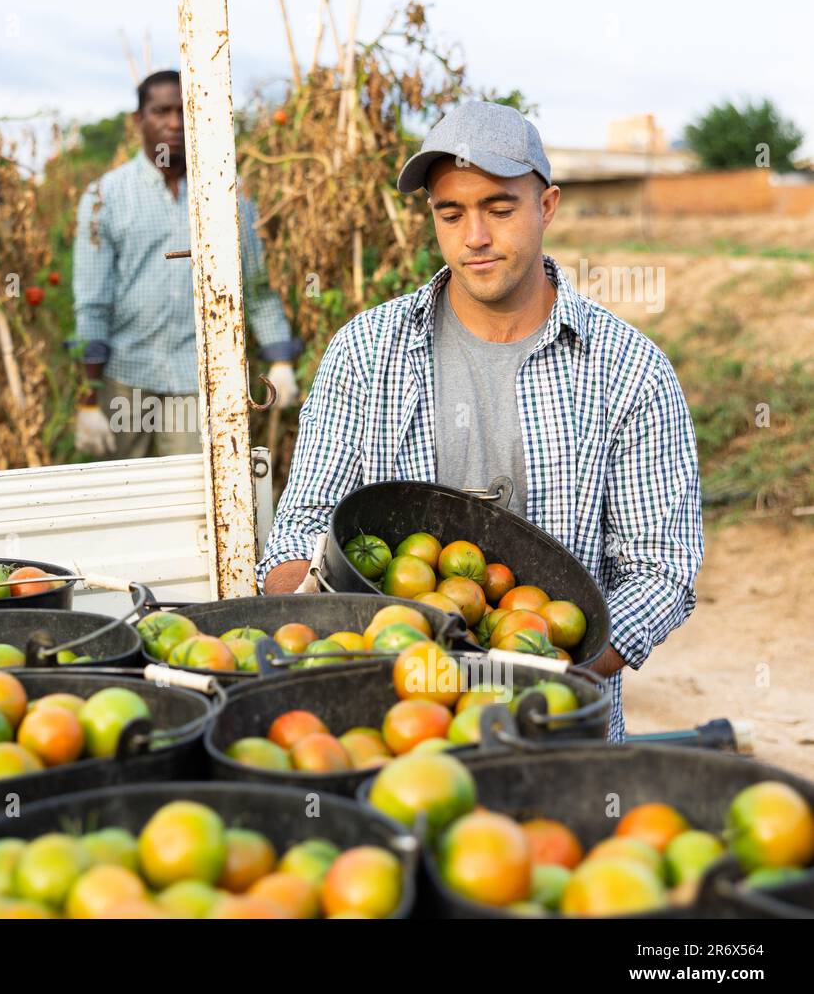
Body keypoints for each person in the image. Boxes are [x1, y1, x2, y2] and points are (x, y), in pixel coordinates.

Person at [257, 101, 703, 740]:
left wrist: (548, 675)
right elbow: (302, 524)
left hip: (555, 736)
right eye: (451, 213)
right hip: (390, 724)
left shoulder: (629, 371)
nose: (475, 237)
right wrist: (317, 616)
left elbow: (660, 570)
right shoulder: (366, 351)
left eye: (499, 209)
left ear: (545, 207)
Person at [72, 69, 301, 459]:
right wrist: (88, 400)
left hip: (199, 378)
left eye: (185, 110)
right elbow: (92, 303)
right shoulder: (104, 196)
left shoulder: (228, 192)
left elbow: (256, 286)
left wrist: (279, 357)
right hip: (125, 376)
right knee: (126, 501)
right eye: (161, 111)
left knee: (191, 502)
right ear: (138, 120)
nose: (175, 122)